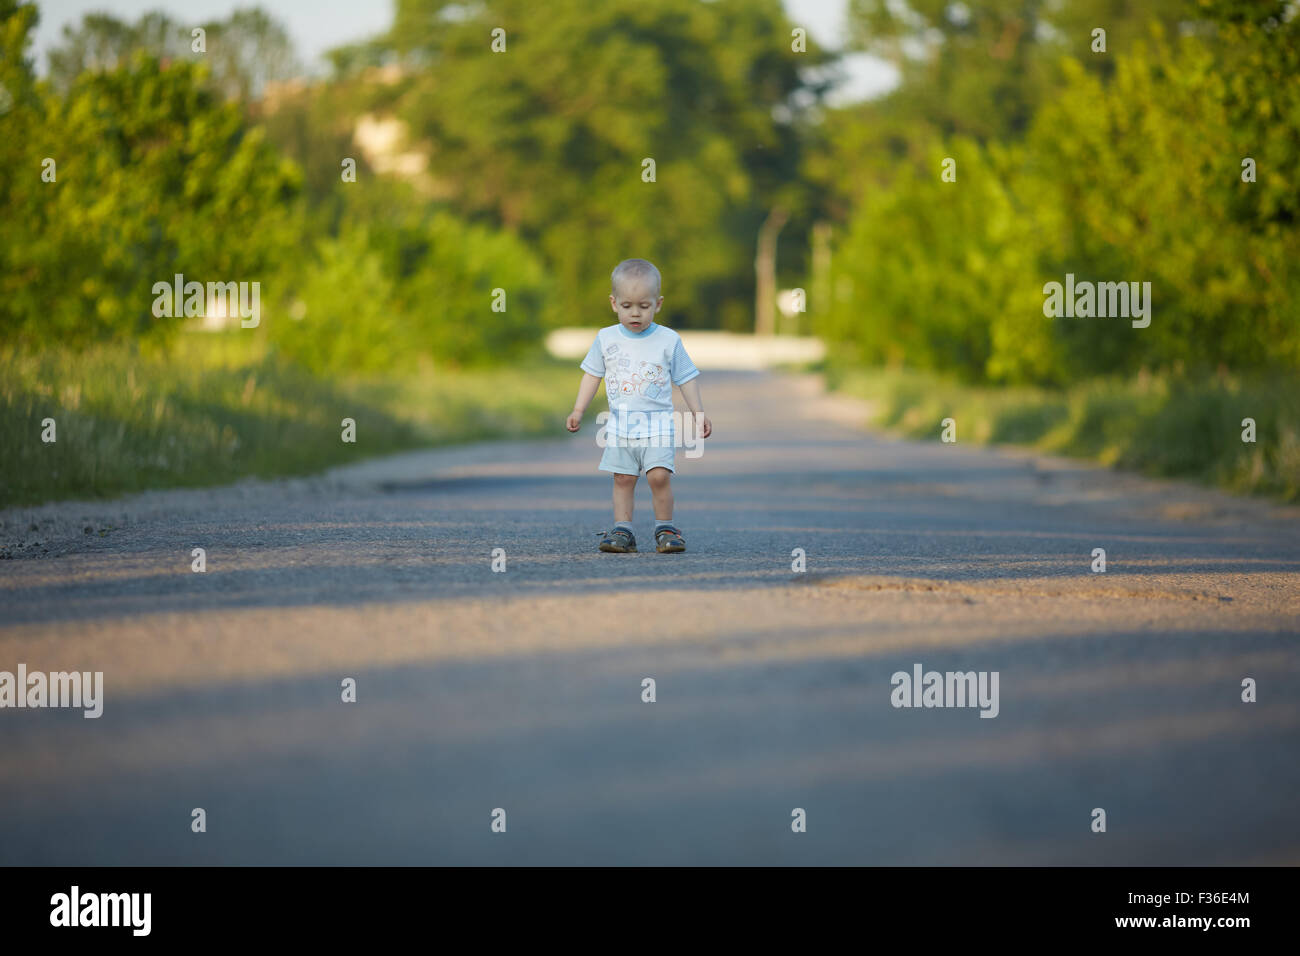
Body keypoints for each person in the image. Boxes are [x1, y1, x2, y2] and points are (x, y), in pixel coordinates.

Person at [565, 258, 712, 553]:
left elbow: (686, 377)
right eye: (627, 306)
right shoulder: (605, 339)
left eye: (644, 307)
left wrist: (699, 413)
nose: (635, 313)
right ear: (613, 303)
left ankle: (666, 528)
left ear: (657, 304)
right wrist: (578, 409)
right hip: (620, 428)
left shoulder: (668, 339)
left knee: (658, 476)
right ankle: (623, 530)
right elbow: (592, 375)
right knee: (623, 478)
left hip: (658, 426)